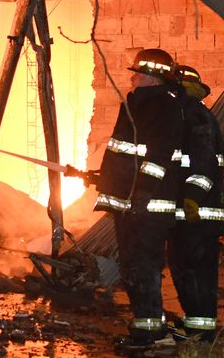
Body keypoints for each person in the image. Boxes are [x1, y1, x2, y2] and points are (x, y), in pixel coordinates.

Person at [92, 48, 186, 351]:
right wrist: (105, 175)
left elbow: (158, 157)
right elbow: (127, 154)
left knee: (142, 266)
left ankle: (152, 335)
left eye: (137, 73)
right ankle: (148, 328)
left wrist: (143, 191)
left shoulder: (164, 108)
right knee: (134, 266)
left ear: (152, 77)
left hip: (146, 206)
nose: (132, 77)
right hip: (130, 202)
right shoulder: (138, 105)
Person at [168, 64, 224, 343]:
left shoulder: (194, 116)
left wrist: (191, 198)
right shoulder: (193, 113)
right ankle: (198, 330)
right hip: (193, 217)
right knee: (192, 274)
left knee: (193, 274)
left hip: (196, 217)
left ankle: (200, 333)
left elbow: (204, 165)